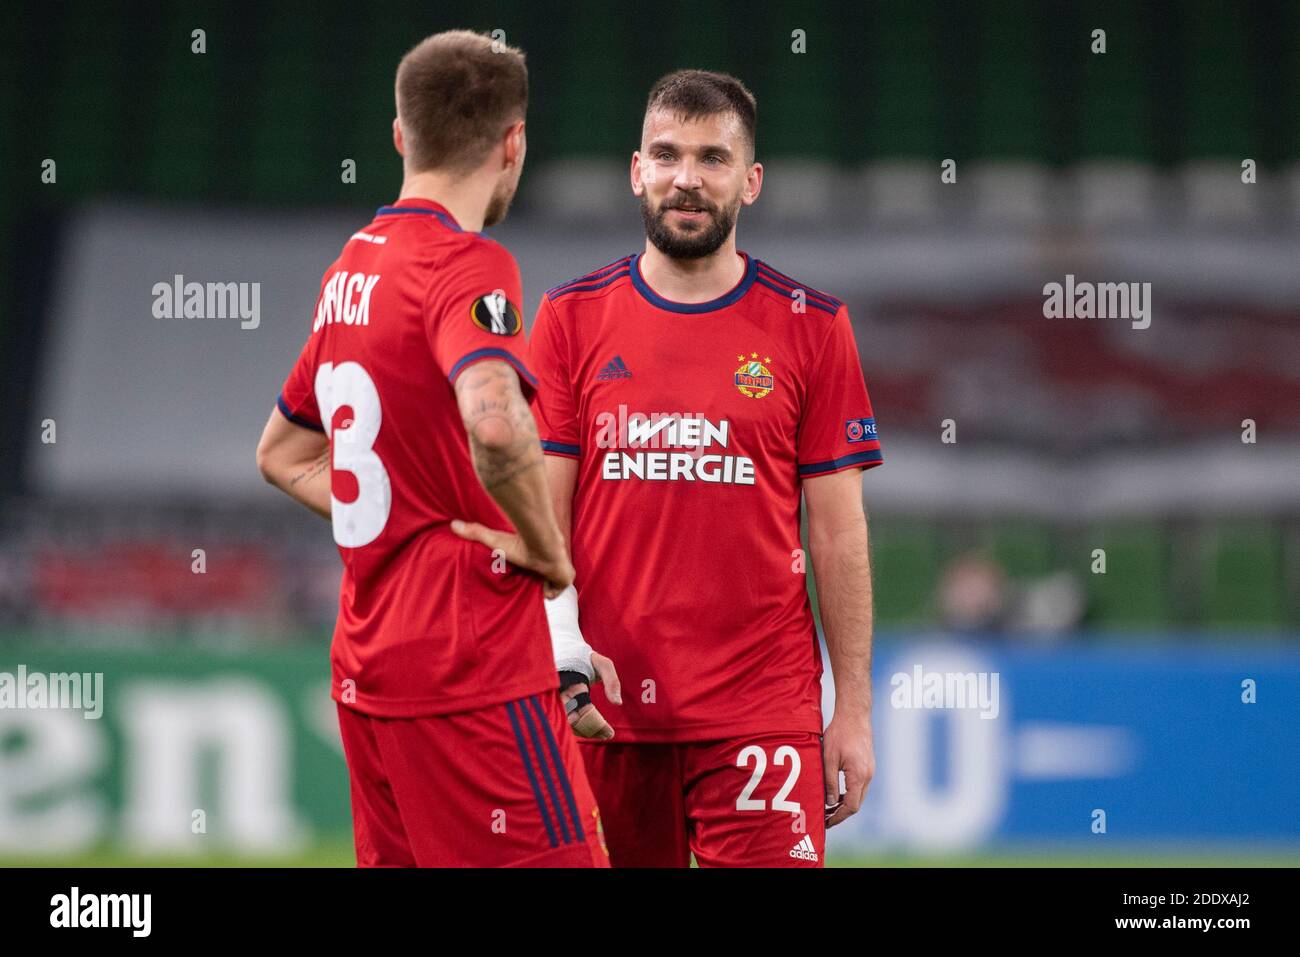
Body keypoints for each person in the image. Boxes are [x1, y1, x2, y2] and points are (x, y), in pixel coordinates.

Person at [454, 70, 883, 867]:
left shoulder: (813, 327)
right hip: (604, 712)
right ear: (637, 171)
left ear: (751, 181)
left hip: (762, 711)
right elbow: (541, 517)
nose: (687, 177)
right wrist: (555, 645)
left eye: (713, 158)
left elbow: (837, 534)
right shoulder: (571, 317)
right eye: (667, 154)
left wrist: (852, 709)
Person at [255, 30, 606, 867]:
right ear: (514, 142)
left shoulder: (351, 269)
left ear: (399, 135)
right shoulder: (466, 266)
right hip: (471, 667)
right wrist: (547, 550)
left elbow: (281, 453)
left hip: (369, 669)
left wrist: (402, 518)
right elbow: (495, 422)